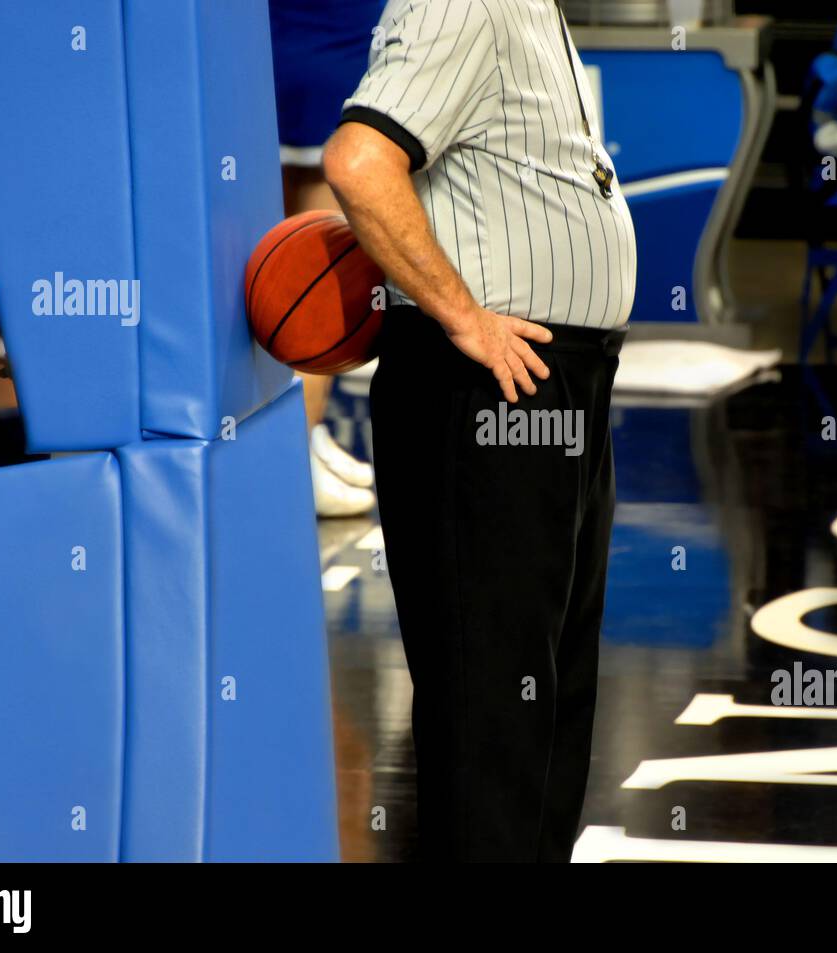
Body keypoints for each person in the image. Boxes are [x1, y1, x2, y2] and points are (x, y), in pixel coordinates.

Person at [324, 0, 636, 862]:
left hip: (555, 383)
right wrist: (461, 316)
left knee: (551, 703)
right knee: (493, 712)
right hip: (489, 390)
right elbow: (358, 162)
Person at [269, 0, 385, 517]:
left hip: (263, 54)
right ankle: (291, 454)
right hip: (335, 49)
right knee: (321, 280)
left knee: (270, 264)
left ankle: (297, 441)